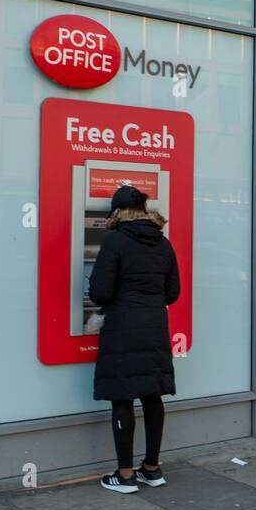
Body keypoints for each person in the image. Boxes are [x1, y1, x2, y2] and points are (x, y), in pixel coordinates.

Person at [89, 185, 181, 493]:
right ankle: (152, 469)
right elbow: (173, 292)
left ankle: (125, 474)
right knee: (152, 394)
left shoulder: (115, 241)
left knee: (123, 395)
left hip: (123, 326)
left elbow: (100, 291)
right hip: (155, 324)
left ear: (117, 212)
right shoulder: (163, 243)